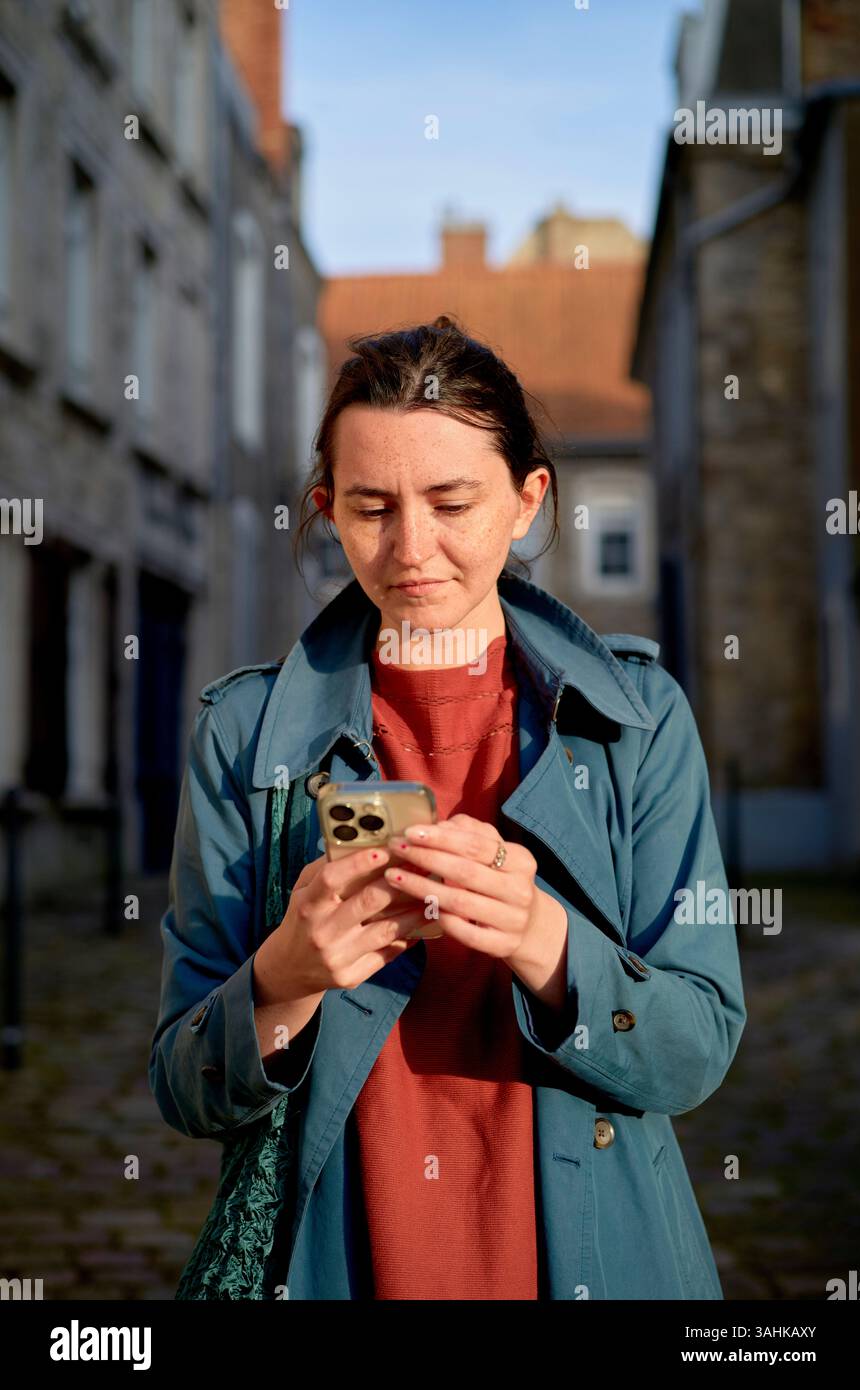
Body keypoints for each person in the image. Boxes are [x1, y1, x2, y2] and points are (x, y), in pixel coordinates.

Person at [149, 315, 747, 1301]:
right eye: (372, 506)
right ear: (325, 508)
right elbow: (181, 1082)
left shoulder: (637, 721)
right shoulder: (243, 735)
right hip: (339, 1264)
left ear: (525, 500)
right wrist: (283, 980)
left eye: (451, 501)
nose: (410, 548)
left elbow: (694, 1050)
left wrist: (549, 945)